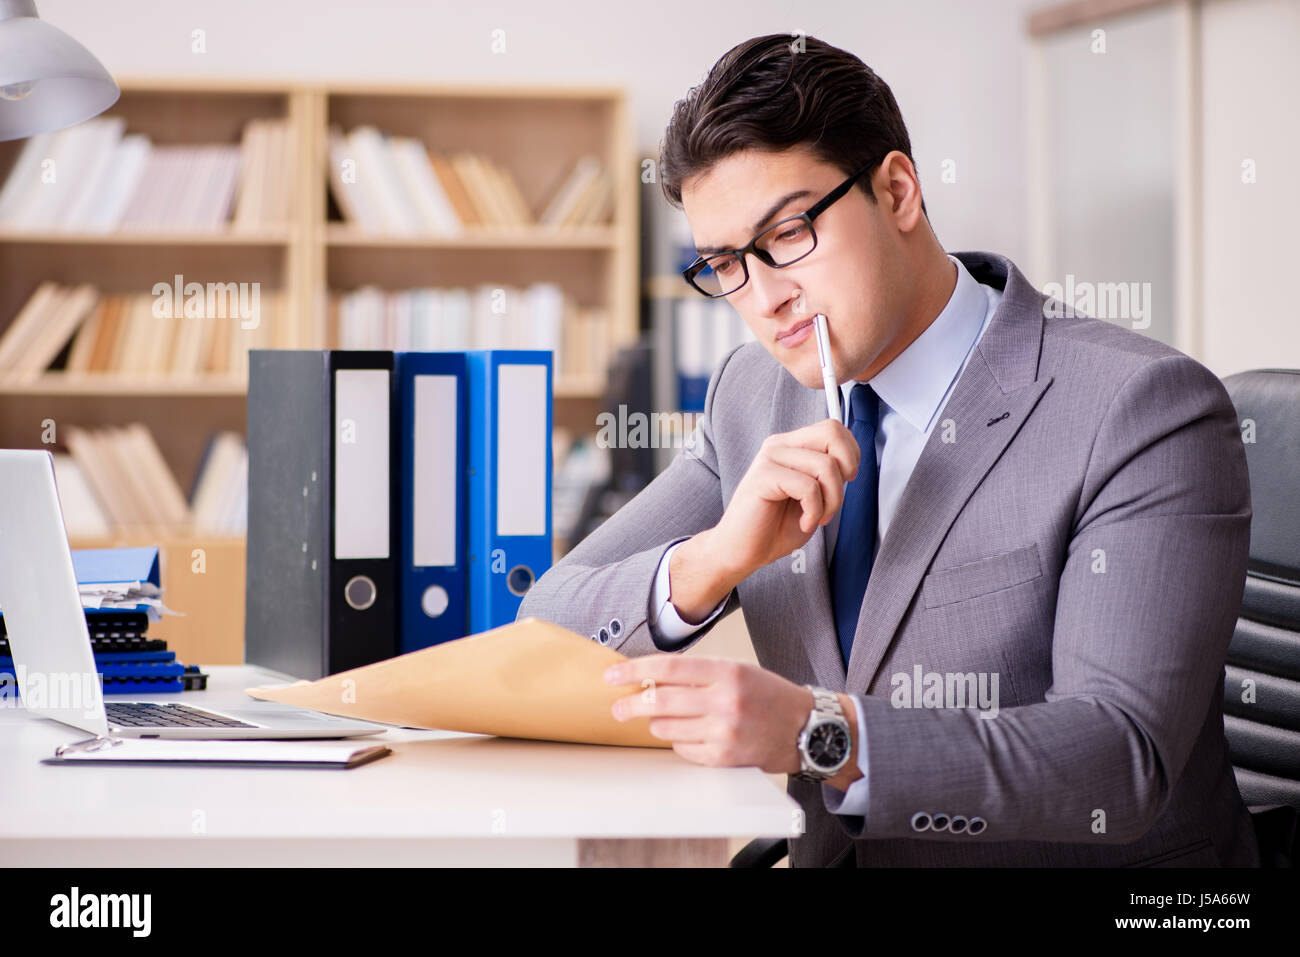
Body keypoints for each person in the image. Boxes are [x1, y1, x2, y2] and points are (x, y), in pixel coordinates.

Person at [516, 32, 1259, 867]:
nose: (765, 297)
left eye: (789, 233)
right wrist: (715, 559)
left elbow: (1117, 760)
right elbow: (545, 621)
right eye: (725, 263)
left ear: (897, 189)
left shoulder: (1138, 408)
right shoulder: (754, 394)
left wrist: (817, 731)